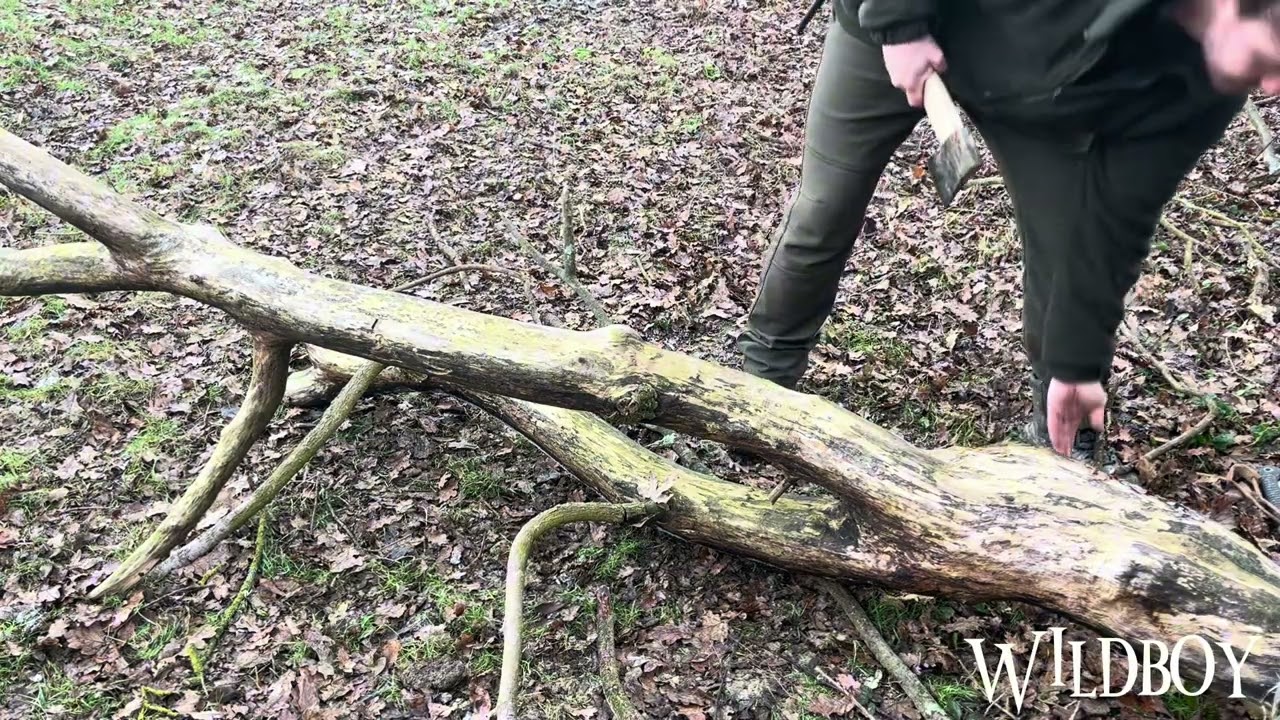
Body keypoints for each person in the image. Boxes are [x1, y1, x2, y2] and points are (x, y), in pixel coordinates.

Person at [737, 0, 1280, 459]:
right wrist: (898, 23)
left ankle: (1061, 445)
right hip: (910, 28)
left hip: (1040, 96)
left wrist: (1076, 363)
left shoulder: (1210, 82)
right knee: (825, 209)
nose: (1274, 88)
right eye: (1269, 51)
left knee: (1065, 252)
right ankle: (761, 384)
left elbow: (1119, 213)